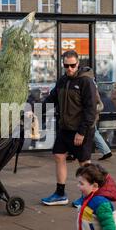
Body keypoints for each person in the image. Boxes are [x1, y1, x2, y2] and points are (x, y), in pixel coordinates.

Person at [41, 50, 97, 206]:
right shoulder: (62, 81)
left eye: (73, 65)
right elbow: (51, 99)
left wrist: (82, 132)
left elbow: (90, 109)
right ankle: (60, 194)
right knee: (59, 156)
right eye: (66, 65)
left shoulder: (86, 82)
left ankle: (88, 197)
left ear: (78, 64)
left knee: (84, 163)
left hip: (81, 130)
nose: (70, 69)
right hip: (64, 128)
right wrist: (35, 110)